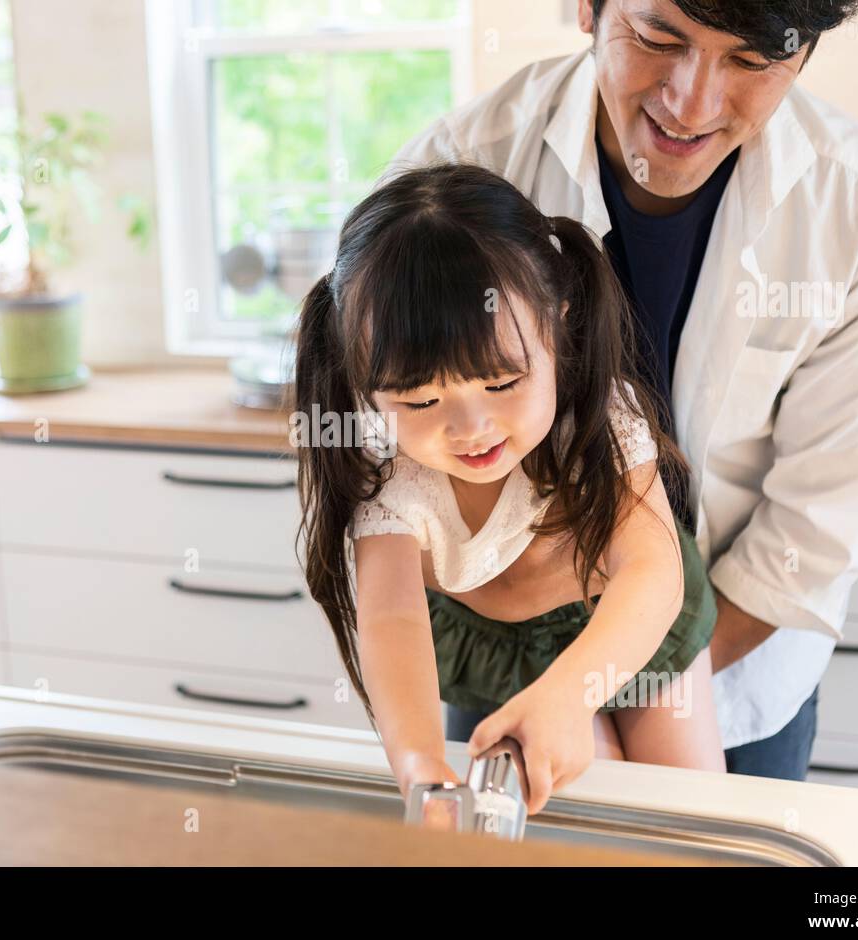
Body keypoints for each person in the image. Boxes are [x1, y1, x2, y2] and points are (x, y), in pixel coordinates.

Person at [381, 0, 858, 780]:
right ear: (588, 7)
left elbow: (821, 527)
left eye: (751, 59)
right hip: (505, 663)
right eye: (657, 38)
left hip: (735, 656)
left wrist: (616, 686)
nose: (692, 102)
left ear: (807, 52)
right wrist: (545, 693)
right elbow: (378, 440)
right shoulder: (457, 174)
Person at [294, 162, 725, 815]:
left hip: (627, 626)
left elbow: (650, 570)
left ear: (559, 325)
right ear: (364, 386)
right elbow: (391, 619)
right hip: (491, 650)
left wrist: (570, 694)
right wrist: (419, 767)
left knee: (693, 818)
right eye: (420, 398)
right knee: (583, 831)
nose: (470, 428)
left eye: (501, 385)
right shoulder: (383, 470)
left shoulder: (598, 415)